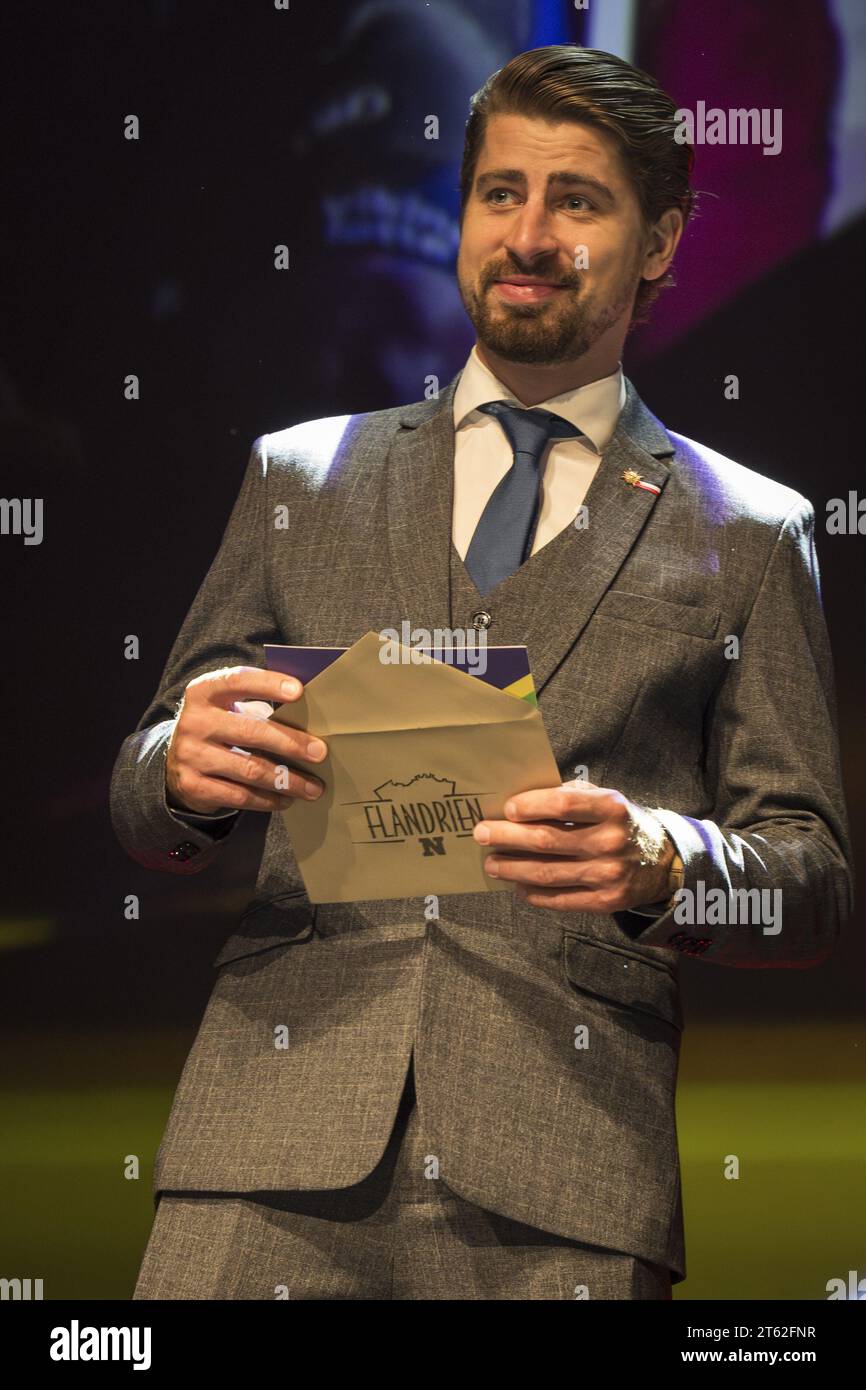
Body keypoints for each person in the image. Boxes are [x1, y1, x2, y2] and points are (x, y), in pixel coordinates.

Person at [110, 45, 853, 1300]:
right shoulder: (301, 477)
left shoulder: (748, 529)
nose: (526, 232)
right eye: (498, 193)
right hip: (265, 1146)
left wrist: (665, 860)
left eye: (577, 200)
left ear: (658, 242)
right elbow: (147, 797)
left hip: (561, 1178)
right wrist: (178, 771)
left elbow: (811, 881)